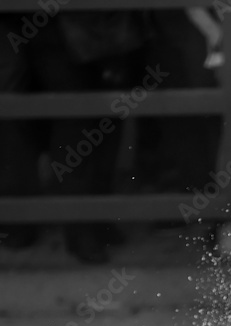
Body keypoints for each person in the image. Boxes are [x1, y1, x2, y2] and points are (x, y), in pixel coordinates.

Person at [0, 11, 144, 263]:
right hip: (57, 28)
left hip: (106, 24)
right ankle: (80, 227)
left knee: (108, 118)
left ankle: (97, 219)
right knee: (76, 121)